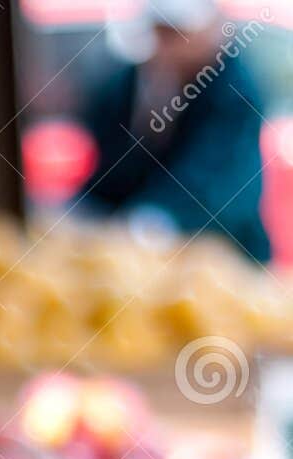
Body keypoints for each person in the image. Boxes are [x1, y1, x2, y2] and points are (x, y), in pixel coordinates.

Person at [78, 0, 270, 262]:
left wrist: (153, 221)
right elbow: (109, 172)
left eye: (179, 32)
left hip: (228, 257)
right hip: (143, 264)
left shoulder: (235, 92)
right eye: (162, 31)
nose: (170, 43)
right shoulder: (128, 85)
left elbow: (223, 187)